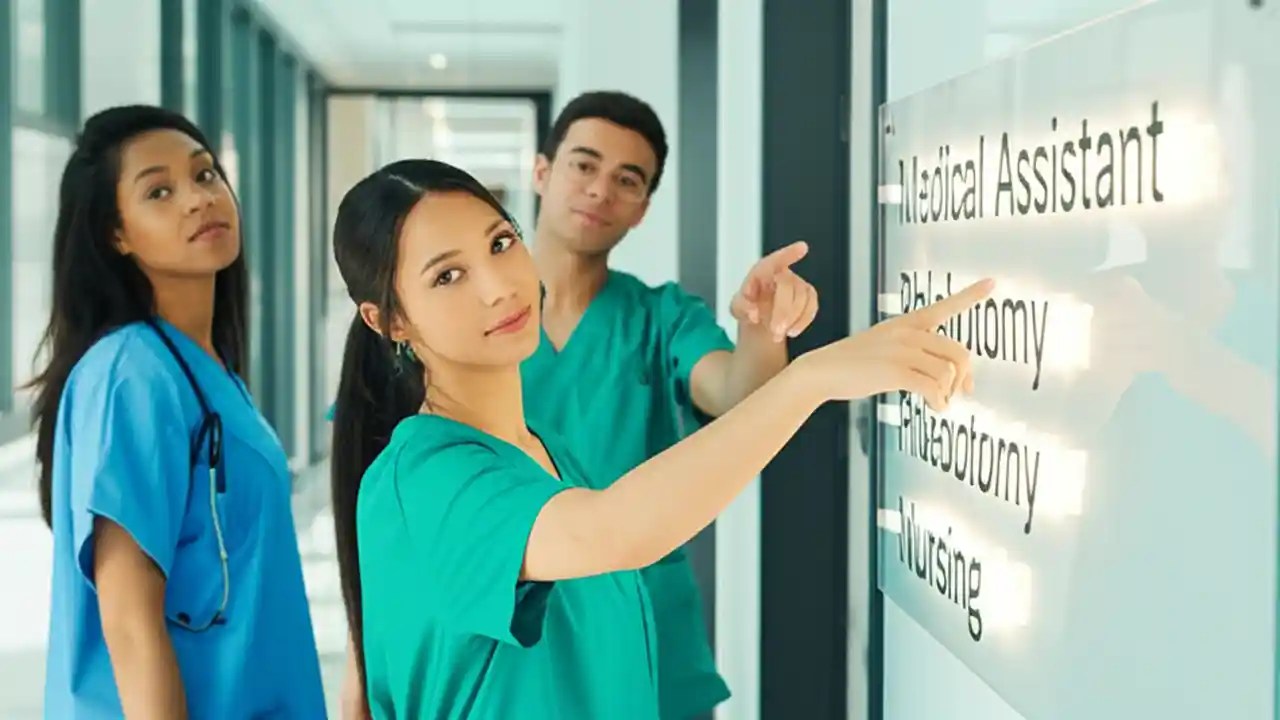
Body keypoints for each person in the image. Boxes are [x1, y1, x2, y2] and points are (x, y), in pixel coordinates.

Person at [329, 158, 990, 719]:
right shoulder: (422, 478)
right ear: (389, 321)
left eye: (501, 243)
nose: (499, 286)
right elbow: (612, 531)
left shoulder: (550, 453)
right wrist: (812, 379)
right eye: (447, 276)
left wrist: (780, 358)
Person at [31, 105, 326, 718]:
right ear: (116, 234)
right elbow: (130, 620)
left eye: (205, 174)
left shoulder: (205, 371)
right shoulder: (131, 373)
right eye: (159, 192)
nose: (199, 199)